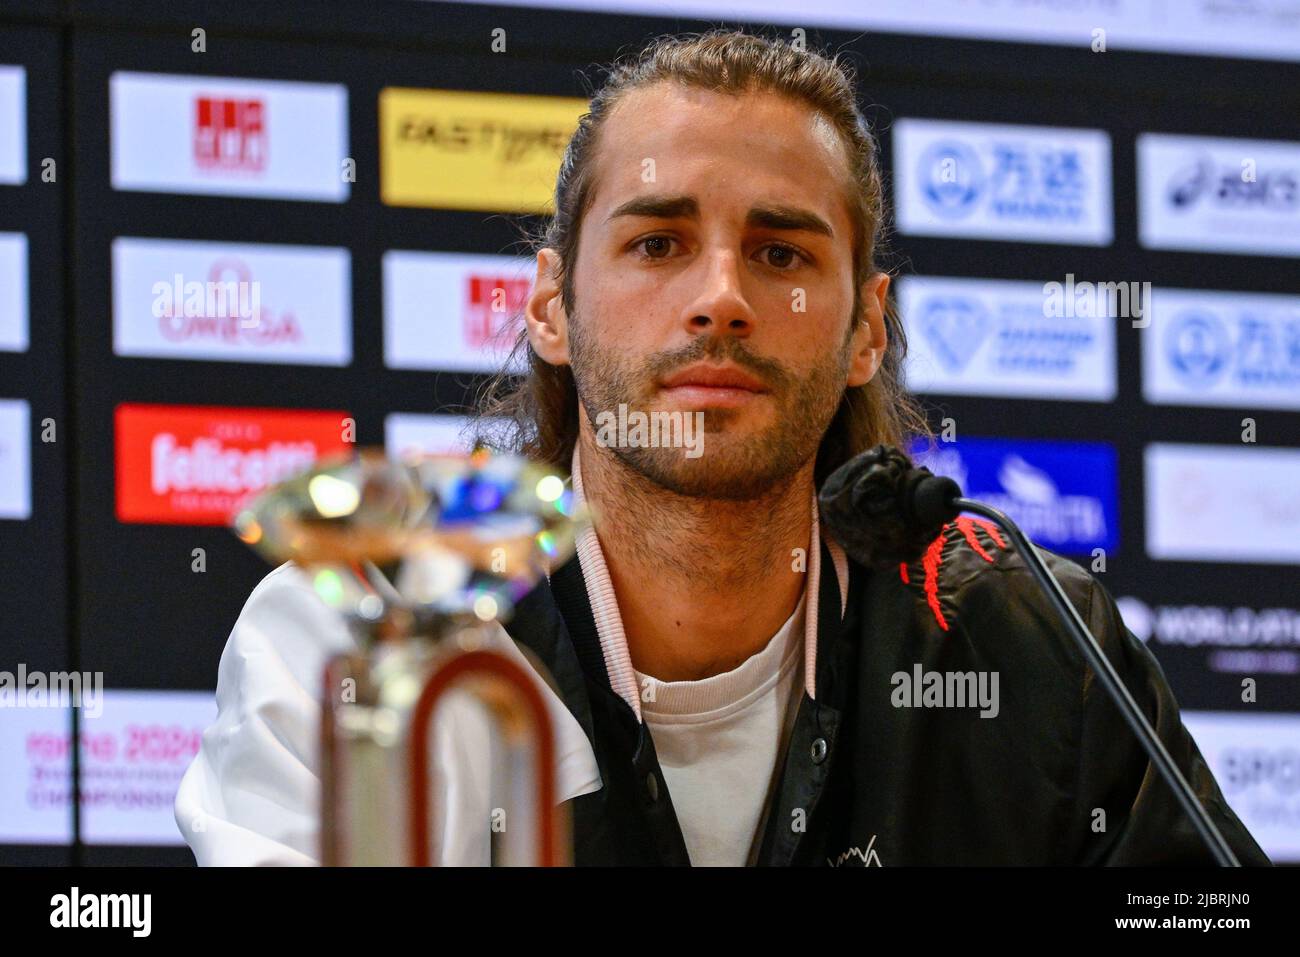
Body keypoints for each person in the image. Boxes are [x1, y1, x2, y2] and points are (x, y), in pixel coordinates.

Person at [175, 29, 1270, 866]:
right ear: (552, 308)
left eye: (781, 253)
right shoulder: (362, 629)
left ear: (867, 328)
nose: (719, 299)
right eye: (657, 241)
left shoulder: (1030, 649)